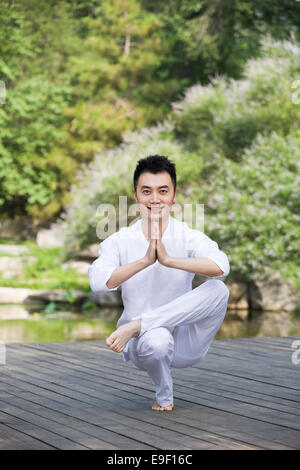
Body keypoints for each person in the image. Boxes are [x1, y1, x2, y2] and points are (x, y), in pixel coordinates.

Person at [88, 155, 230, 412]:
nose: (155, 199)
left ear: (174, 195)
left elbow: (221, 267)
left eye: (163, 191)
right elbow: (98, 282)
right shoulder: (119, 241)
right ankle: (164, 394)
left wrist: (169, 260)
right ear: (136, 196)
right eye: (147, 191)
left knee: (218, 289)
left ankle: (137, 325)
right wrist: (144, 261)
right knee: (156, 340)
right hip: (146, 344)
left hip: (186, 339)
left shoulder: (188, 235)